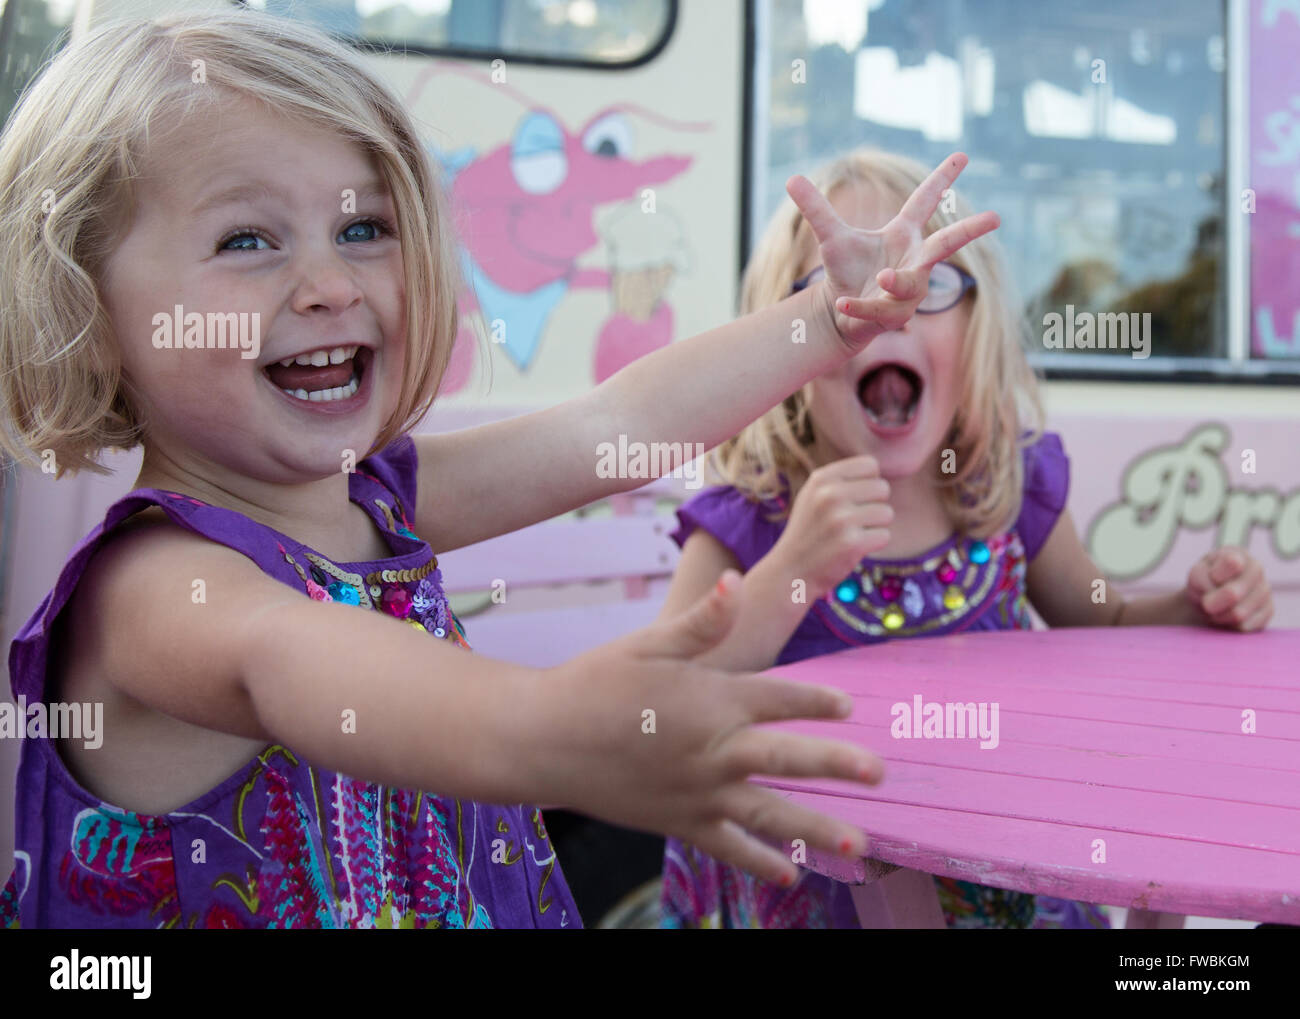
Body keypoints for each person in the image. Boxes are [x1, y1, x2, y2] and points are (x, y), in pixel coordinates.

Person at [0, 12, 998, 928]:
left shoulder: (377, 498)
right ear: (90, 317)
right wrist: (552, 723)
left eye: (363, 228)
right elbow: (286, 655)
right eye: (247, 238)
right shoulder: (155, 584)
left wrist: (826, 318)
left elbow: (615, 422)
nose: (330, 284)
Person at [658, 149, 1275, 929]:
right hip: (812, 899)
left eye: (929, 281)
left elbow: (1105, 623)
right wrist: (792, 571)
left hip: (1003, 888)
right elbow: (664, 697)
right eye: (841, 289)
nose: (891, 307)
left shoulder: (1002, 492)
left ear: (977, 326)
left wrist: (1195, 607)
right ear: (784, 340)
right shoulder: (750, 520)